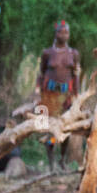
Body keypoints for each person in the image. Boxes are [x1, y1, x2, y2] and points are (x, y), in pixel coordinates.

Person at [36, 20, 81, 172]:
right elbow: (41, 73)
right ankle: (51, 163)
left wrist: (77, 95)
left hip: (66, 96)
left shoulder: (73, 54)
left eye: (67, 32)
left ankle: (62, 160)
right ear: (56, 34)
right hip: (50, 96)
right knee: (50, 129)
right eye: (61, 32)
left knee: (65, 129)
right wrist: (38, 93)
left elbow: (76, 76)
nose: (64, 35)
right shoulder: (47, 53)